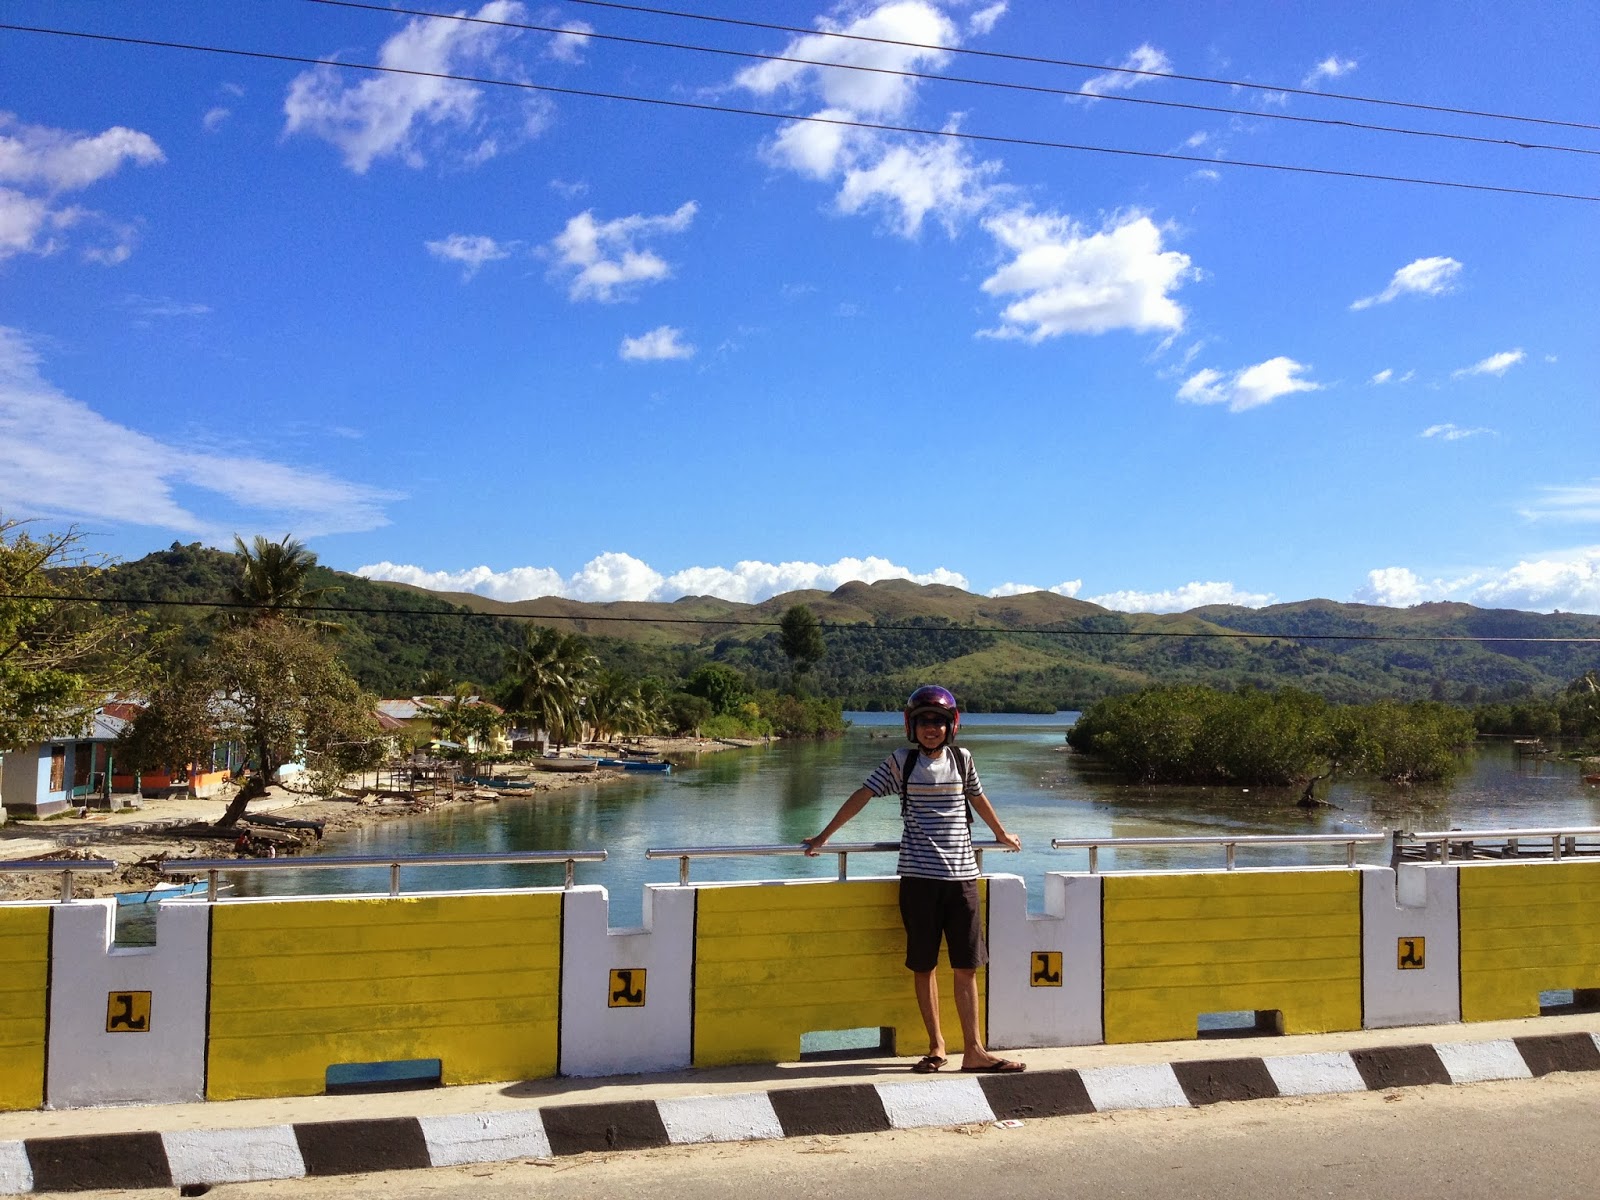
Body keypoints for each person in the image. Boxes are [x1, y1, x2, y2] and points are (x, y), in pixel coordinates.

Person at [804, 685, 1025, 1074]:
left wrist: (1002, 833)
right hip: (919, 879)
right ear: (911, 725)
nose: (931, 728)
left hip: (962, 878)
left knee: (966, 966)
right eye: (923, 721)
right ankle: (936, 1047)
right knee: (923, 966)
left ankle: (974, 1050)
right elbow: (863, 794)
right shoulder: (902, 762)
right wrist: (825, 835)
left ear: (950, 725)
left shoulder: (963, 759)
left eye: (938, 721)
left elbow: (978, 798)